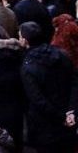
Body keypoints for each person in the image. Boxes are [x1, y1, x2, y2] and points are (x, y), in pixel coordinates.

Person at [20, 21, 74, 153]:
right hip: (66, 115)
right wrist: (71, 111)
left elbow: (37, 99)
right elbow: (74, 82)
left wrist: (61, 117)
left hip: (44, 124)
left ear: (26, 41)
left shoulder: (27, 66)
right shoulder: (61, 55)